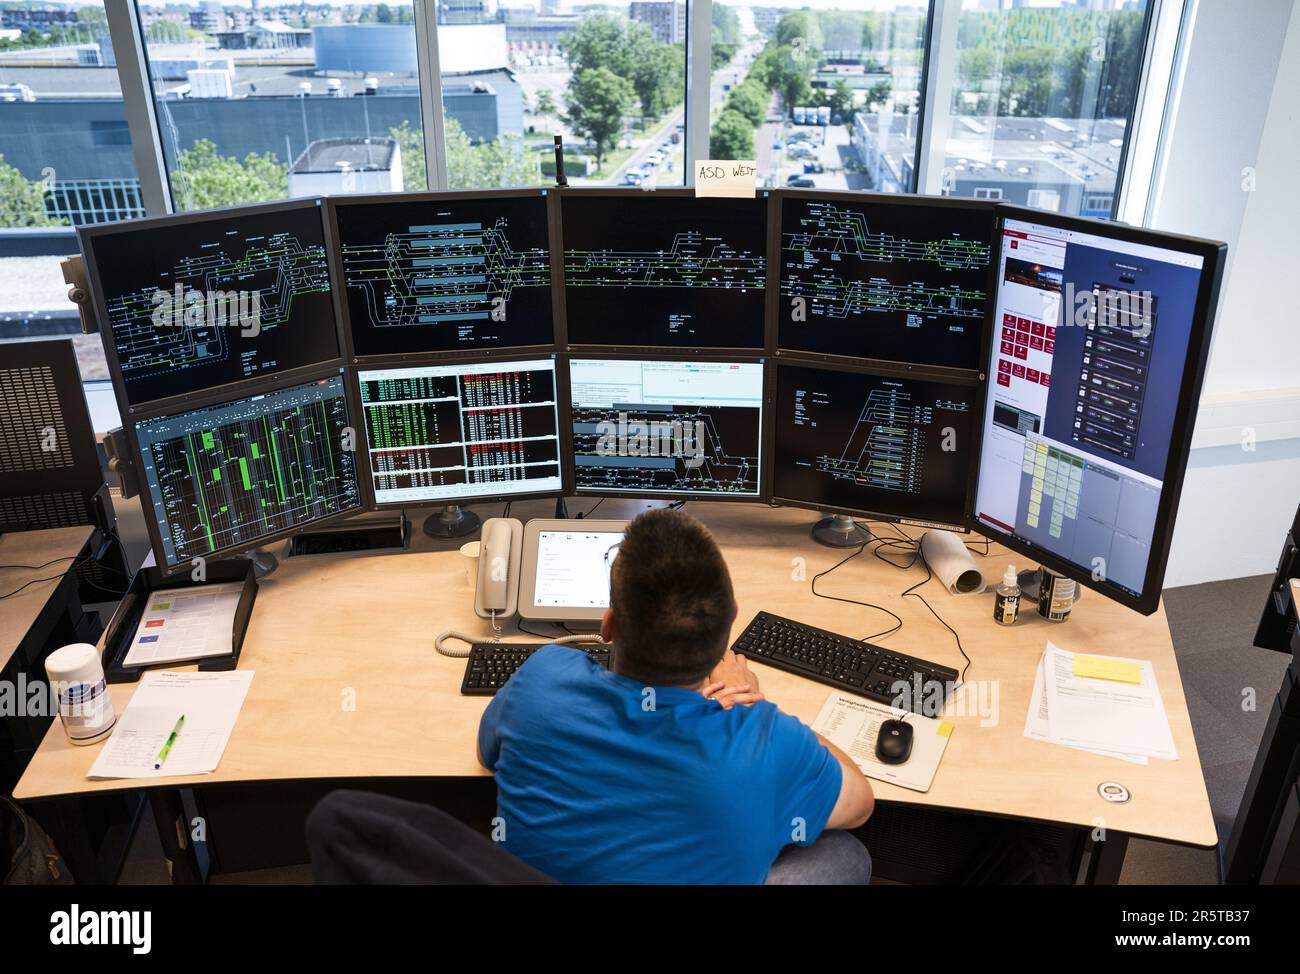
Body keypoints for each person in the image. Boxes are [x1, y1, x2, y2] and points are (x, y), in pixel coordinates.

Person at [478, 508, 875, 884]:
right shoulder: (768, 740)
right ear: (731, 618)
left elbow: (487, 751)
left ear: (608, 625)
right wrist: (750, 702)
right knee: (845, 852)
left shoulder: (540, 679)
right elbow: (860, 804)